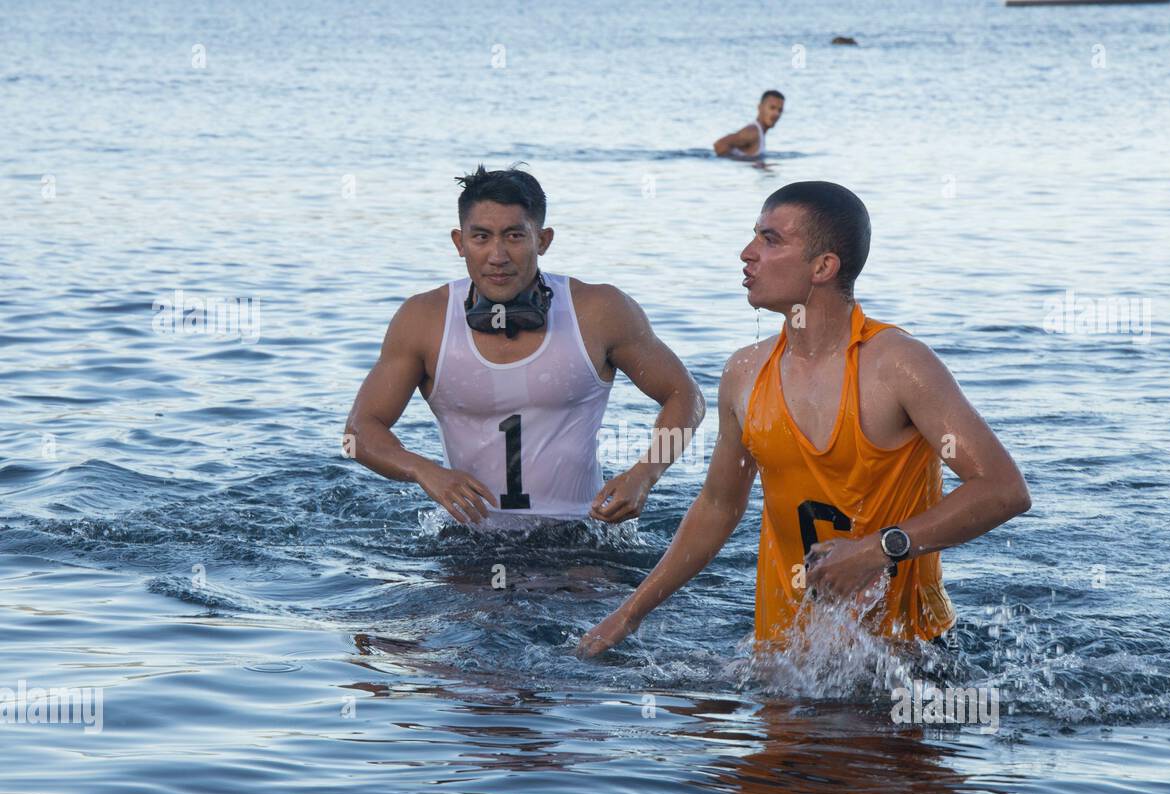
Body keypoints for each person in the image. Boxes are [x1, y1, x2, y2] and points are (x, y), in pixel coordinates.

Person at [577, 181, 1031, 658]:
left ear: (823, 266)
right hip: (782, 656)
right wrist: (628, 615)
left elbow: (1002, 489)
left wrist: (880, 548)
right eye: (754, 236)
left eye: (770, 240)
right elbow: (717, 507)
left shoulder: (897, 365)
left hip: (906, 657)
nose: (746, 253)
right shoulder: (745, 373)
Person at [344, 164, 704, 526]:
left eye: (514, 236)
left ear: (543, 240)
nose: (497, 255)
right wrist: (424, 471)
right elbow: (358, 433)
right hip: (470, 545)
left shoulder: (600, 312)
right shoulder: (422, 320)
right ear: (459, 242)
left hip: (582, 539)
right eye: (481, 237)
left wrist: (644, 475)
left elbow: (685, 395)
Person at [713, 90, 784, 160]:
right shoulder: (752, 132)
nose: (776, 114)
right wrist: (737, 162)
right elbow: (719, 145)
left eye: (780, 110)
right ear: (760, 108)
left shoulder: (759, 134)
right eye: (772, 108)